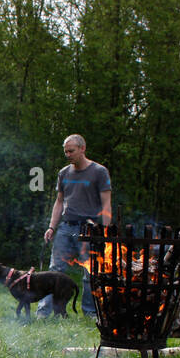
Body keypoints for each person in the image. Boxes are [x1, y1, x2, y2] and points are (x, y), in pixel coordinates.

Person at [38, 134, 111, 318]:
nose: (68, 155)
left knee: (90, 272)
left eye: (71, 151)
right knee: (54, 271)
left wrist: (106, 231)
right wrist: (52, 227)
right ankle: (43, 312)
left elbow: (106, 204)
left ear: (82, 149)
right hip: (66, 227)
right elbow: (59, 201)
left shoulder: (99, 172)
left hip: (89, 229)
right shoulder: (63, 173)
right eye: (65, 152)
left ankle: (90, 313)